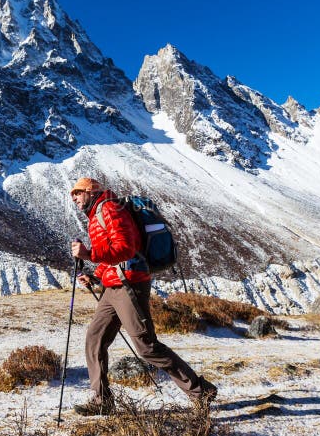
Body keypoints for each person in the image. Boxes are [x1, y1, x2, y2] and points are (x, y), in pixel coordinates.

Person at [69, 177, 217, 416]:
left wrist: (89, 254)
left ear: (90, 191)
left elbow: (126, 248)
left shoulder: (110, 208)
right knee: (94, 340)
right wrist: (95, 277)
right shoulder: (98, 213)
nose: (74, 198)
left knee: (147, 347)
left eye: (76, 193)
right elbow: (112, 254)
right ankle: (101, 401)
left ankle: (201, 391)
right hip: (112, 286)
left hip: (129, 285)